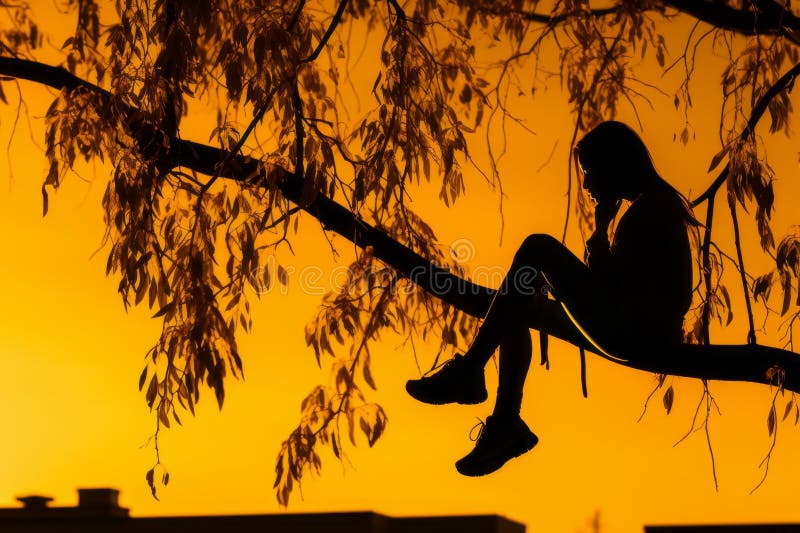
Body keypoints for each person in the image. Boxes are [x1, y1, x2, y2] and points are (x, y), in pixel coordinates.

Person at [406, 121, 698, 477]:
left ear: (614, 166)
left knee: (537, 247)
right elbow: (614, 282)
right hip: (635, 328)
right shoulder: (653, 207)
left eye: (590, 173)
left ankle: (472, 373)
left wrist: (600, 232)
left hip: (634, 332)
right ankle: (505, 421)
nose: (587, 184)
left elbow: (611, 285)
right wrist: (601, 230)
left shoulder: (649, 210)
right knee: (515, 303)